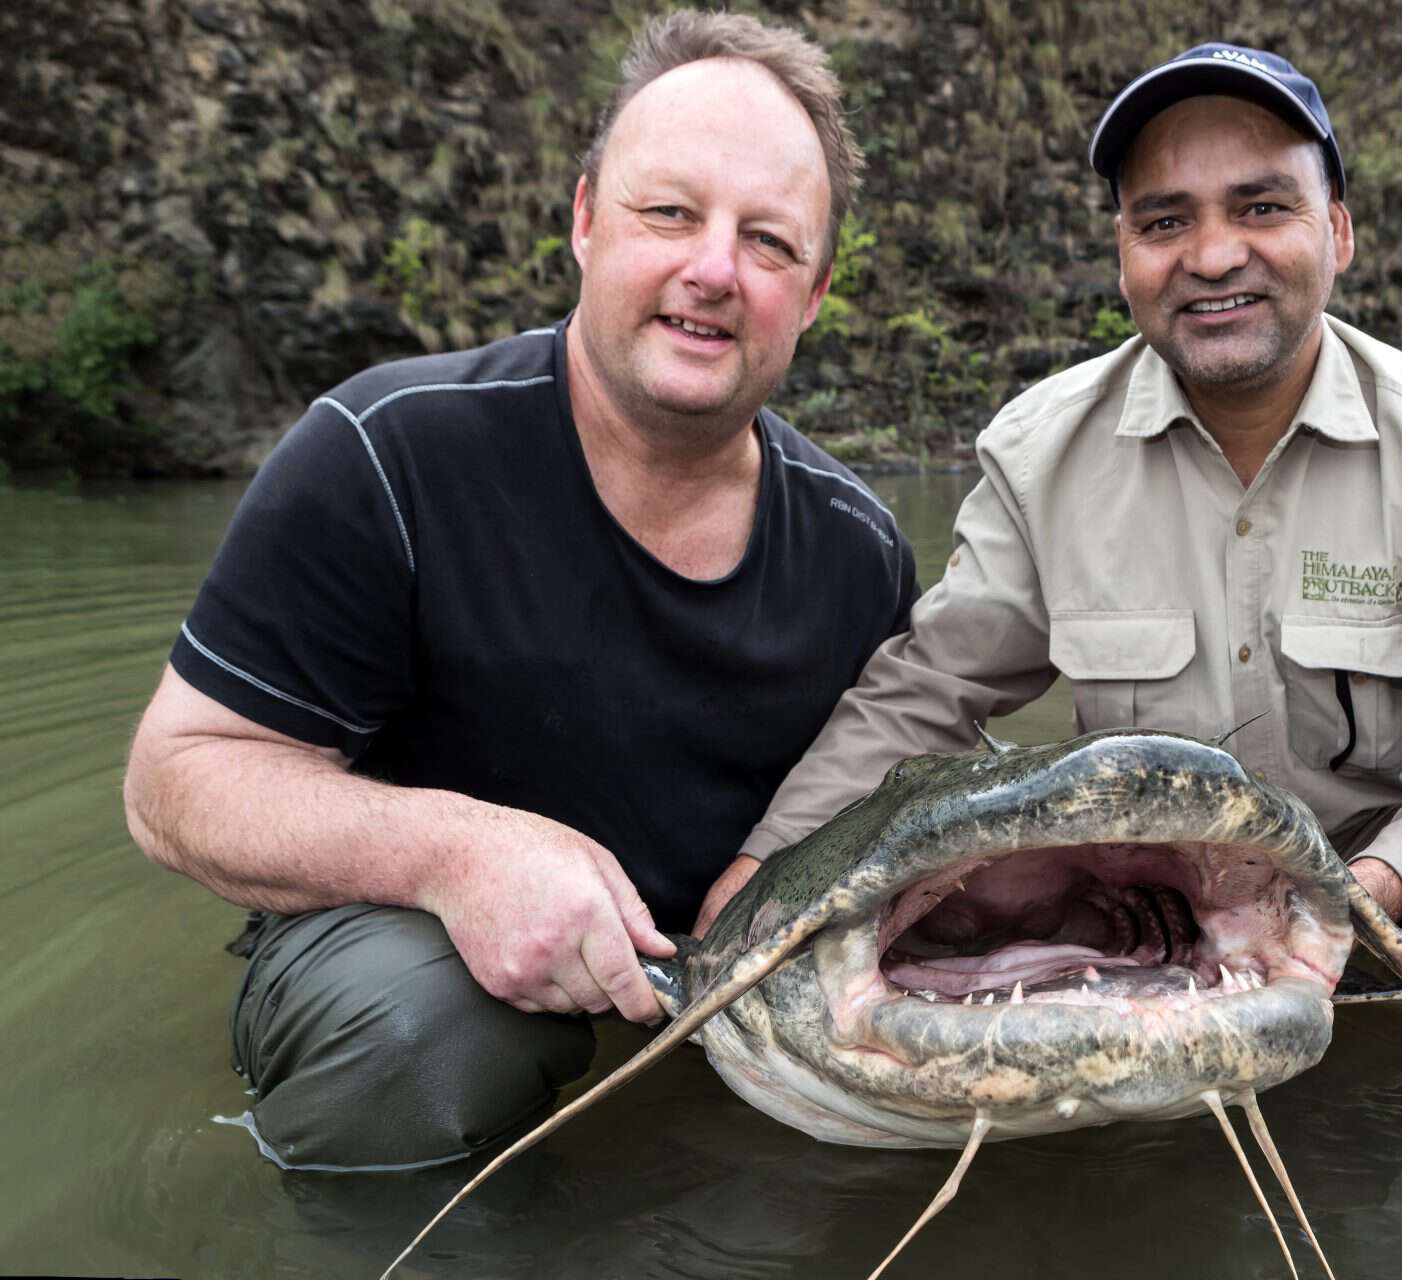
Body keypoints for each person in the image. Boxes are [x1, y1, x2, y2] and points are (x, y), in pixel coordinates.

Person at [121, 10, 917, 1171]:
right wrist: (457, 852)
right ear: (586, 220)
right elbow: (173, 781)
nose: (712, 270)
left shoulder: (860, 548)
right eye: (670, 212)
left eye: (768, 242)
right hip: (411, 959)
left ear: (815, 291)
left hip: (718, 981)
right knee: (427, 1027)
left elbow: (895, 824)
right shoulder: (385, 453)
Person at [734, 43, 1402, 1037]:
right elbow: (927, 694)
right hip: (1146, 874)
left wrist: (1355, 897)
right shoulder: (1040, 453)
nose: (1212, 255)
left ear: (1337, 231)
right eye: (1165, 221)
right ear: (1124, 254)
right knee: (880, 982)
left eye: (1261, 207)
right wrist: (764, 875)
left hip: (1388, 863)